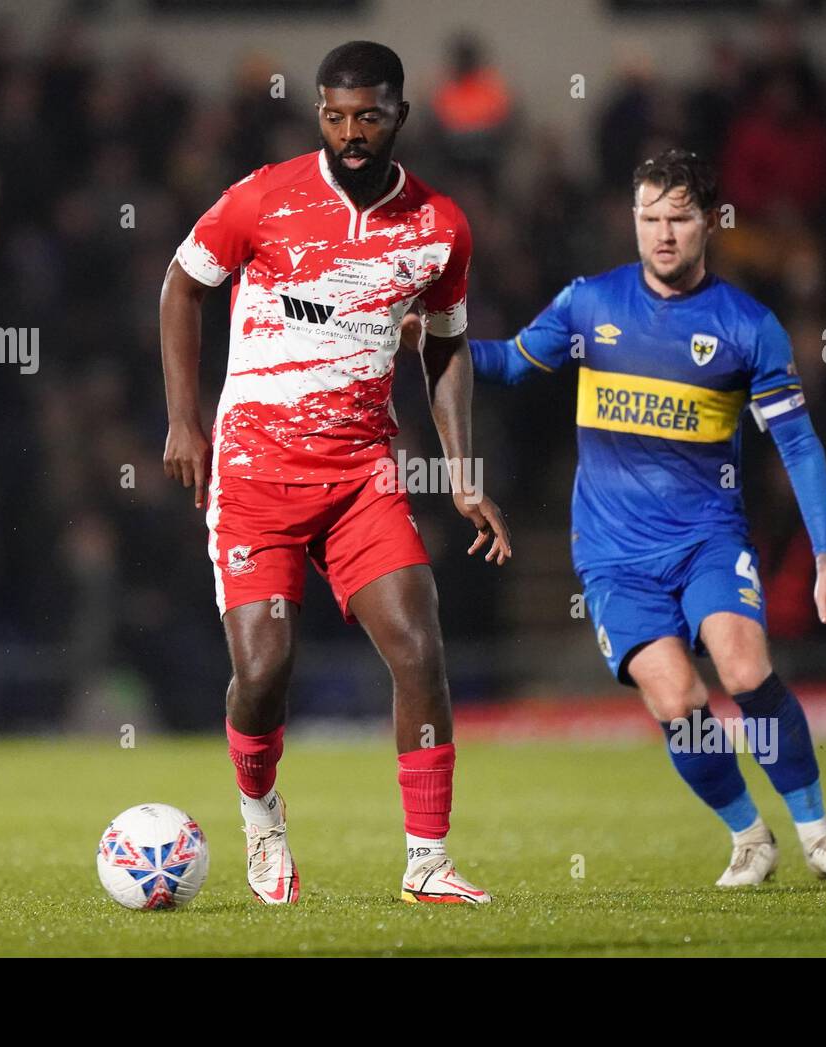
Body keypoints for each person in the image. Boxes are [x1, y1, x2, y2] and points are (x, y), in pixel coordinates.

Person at [447, 148, 826, 886]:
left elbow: (799, 445)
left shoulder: (747, 327)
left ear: (712, 222)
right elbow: (511, 362)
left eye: (679, 218)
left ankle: (820, 835)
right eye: (649, 219)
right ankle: (750, 835)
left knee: (745, 667)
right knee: (677, 697)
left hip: (708, 539)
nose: (663, 234)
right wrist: (424, 341)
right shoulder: (589, 303)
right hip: (614, 555)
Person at [159, 41, 510, 905]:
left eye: (369, 117)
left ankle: (427, 865)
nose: (351, 134)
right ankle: (262, 817)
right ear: (320, 113)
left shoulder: (439, 227)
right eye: (335, 116)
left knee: (421, 650)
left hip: (362, 479)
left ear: (400, 116)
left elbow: (450, 347)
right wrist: (182, 419)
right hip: (255, 476)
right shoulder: (264, 197)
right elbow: (181, 283)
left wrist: (463, 472)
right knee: (265, 670)